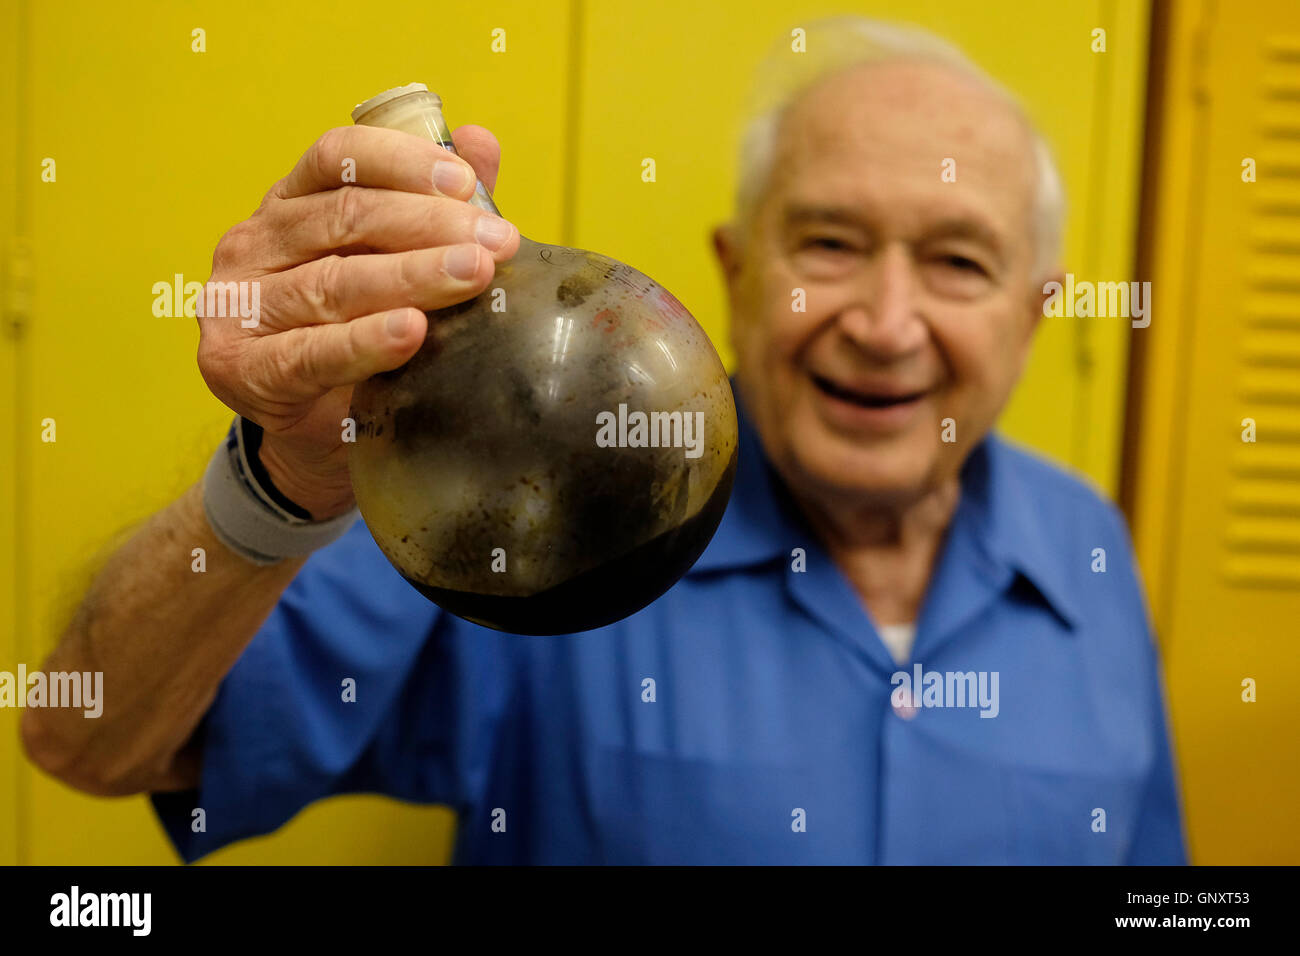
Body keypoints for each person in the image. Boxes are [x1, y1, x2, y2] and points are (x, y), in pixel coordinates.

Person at [22, 18, 1187, 864]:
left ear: (1036, 311)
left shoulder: (1085, 542)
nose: (883, 325)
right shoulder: (530, 509)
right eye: (827, 244)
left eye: (958, 261)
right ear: (736, 274)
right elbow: (87, 737)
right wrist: (277, 486)